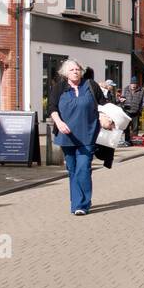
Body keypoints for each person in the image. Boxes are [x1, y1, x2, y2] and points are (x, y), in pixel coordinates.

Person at [48, 59, 106, 216]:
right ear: (66, 72)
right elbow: (52, 108)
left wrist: (104, 117)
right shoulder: (59, 87)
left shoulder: (91, 85)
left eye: (78, 69)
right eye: (72, 69)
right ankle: (76, 203)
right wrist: (59, 122)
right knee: (72, 169)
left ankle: (83, 204)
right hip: (67, 135)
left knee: (83, 168)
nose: (75, 72)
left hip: (88, 134)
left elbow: (104, 104)